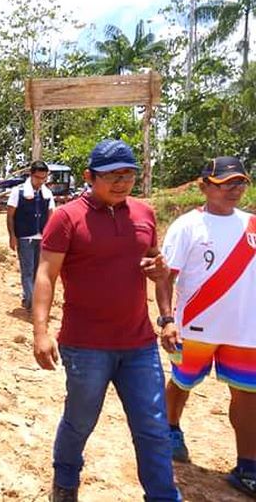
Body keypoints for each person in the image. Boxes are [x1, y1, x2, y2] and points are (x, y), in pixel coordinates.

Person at [31, 139, 180, 501]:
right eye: (112, 175)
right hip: (85, 346)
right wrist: (41, 332)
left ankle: (162, 495)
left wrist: (166, 315)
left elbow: (158, 269)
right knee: (80, 422)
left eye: (128, 173)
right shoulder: (67, 218)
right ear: (89, 176)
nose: (122, 181)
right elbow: (46, 275)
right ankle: (65, 481)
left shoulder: (144, 214)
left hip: (139, 344)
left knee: (153, 428)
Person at [156, 156, 256, 498]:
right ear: (204, 186)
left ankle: (248, 465)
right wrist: (168, 319)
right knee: (182, 382)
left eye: (240, 182)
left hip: (244, 330)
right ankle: (169, 429)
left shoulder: (253, 226)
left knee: (247, 395)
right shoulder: (187, 226)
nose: (234, 189)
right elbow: (166, 277)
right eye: (225, 183)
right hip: (196, 326)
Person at [6, 160, 56, 311]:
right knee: (27, 271)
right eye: (38, 178)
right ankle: (32, 303)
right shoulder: (18, 192)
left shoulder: (47, 194)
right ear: (31, 175)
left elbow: (51, 215)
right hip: (25, 237)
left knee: (38, 271)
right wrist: (12, 236)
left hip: (42, 238)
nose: (41, 181)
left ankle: (29, 298)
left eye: (44, 178)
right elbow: (10, 216)